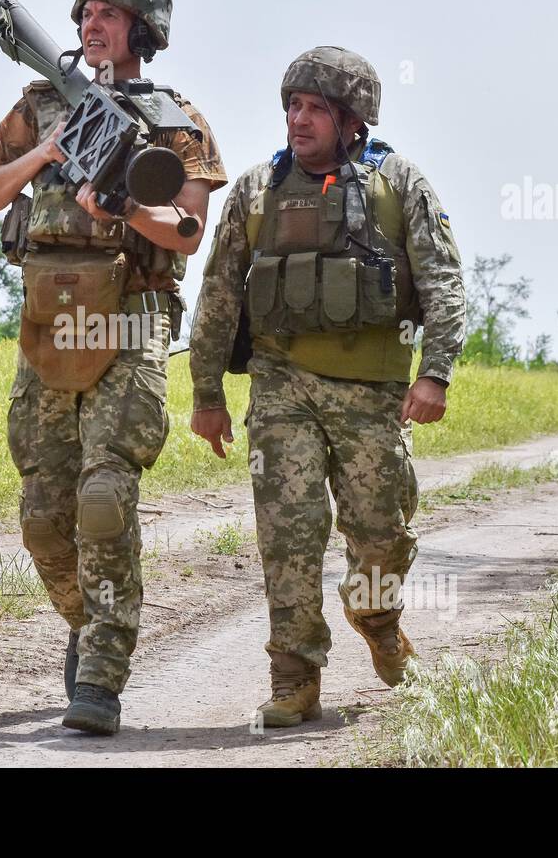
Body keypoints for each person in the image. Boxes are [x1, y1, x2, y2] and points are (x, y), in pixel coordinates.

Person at [0, 0, 225, 735]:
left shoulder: (176, 120)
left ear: (140, 28)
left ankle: (104, 673)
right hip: (49, 320)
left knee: (104, 498)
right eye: (84, 14)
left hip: (132, 317)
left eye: (107, 15)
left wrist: (117, 209)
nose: (90, 24)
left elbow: (185, 233)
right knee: (43, 517)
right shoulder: (41, 105)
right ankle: (85, 622)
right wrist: (43, 155)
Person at [187, 47, 465, 727]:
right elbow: (219, 296)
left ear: (353, 122)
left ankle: (377, 620)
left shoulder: (398, 184)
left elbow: (444, 284)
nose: (298, 120)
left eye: (315, 109)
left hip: (373, 393)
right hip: (282, 385)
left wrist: (434, 372)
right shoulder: (256, 192)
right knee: (289, 531)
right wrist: (207, 397)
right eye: (293, 106)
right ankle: (294, 678)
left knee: (381, 536)